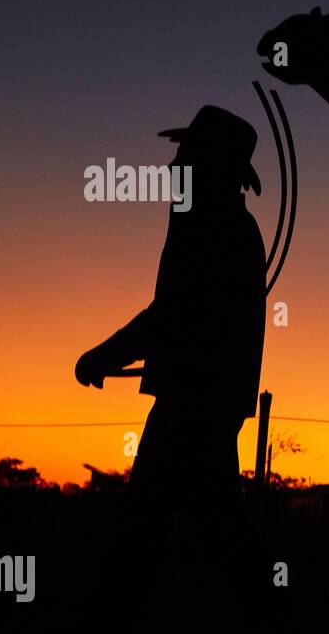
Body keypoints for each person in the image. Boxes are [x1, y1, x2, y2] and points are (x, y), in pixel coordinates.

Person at [75, 105, 267, 517]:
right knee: (207, 531)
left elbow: (171, 316)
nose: (174, 165)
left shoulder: (213, 229)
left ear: (212, 166)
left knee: (149, 527)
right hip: (209, 404)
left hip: (192, 406)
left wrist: (104, 356)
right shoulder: (226, 226)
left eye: (187, 156)